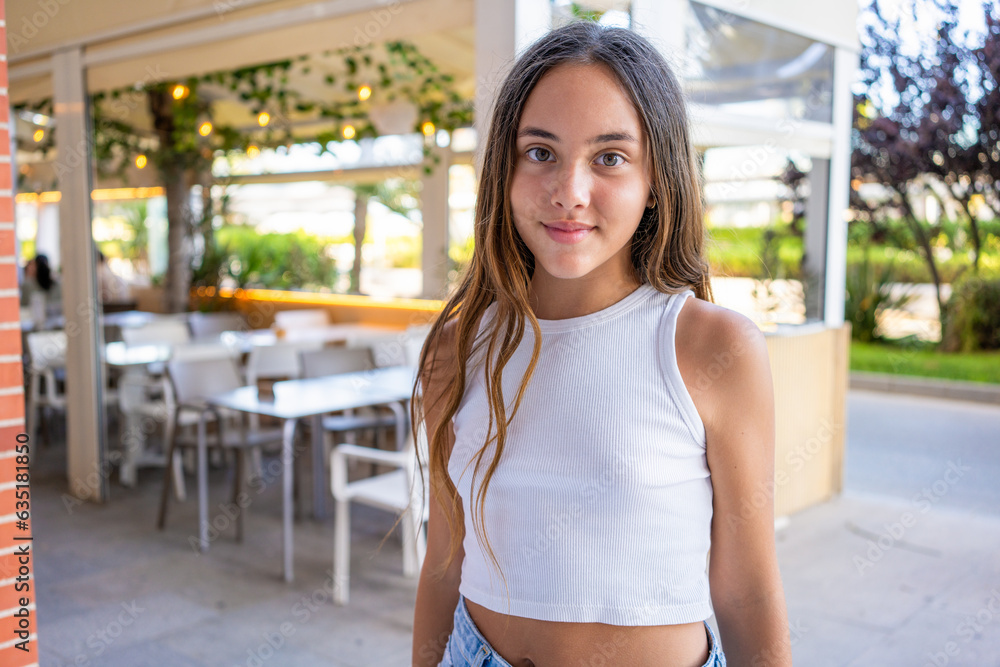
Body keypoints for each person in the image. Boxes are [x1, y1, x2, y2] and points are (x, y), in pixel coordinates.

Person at [411, 22, 791, 667]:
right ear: (504, 168)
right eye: (540, 152)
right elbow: (444, 563)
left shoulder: (711, 347)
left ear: (656, 180)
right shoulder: (458, 348)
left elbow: (747, 590)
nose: (569, 192)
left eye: (609, 157)